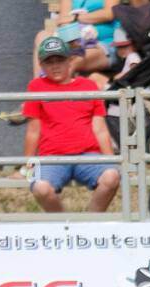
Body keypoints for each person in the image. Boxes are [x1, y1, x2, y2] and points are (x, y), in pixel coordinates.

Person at [23, 37, 121, 214]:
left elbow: (99, 129)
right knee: (40, 188)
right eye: (49, 62)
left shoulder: (89, 86)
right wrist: (26, 167)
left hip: (88, 155)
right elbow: (33, 130)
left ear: (70, 61)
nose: (55, 66)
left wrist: (112, 161)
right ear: (41, 65)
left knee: (112, 176)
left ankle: (89, 223)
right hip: (51, 157)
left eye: (59, 60)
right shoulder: (36, 86)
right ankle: (65, 226)